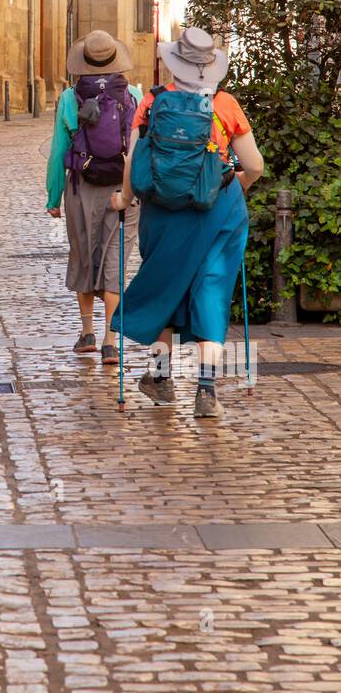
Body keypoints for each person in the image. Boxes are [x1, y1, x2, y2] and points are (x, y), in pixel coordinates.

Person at [110, 27, 264, 418]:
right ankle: (207, 390)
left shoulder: (151, 101)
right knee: (211, 291)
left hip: (163, 211)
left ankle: (161, 381)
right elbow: (255, 165)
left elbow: (133, 159)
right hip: (220, 212)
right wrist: (234, 189)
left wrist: (124, 199)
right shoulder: (225, 104)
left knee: (165, 288)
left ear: (173, 64)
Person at [46, 30, 142, 364]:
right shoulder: (133, 94)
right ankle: (110, 340)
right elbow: (140, 148)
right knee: (116, 258)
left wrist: (52, 197)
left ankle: (86, 333)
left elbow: (59, 150)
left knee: (84, 252)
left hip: (81, 187)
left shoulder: (69, 99)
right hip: (123, 189)